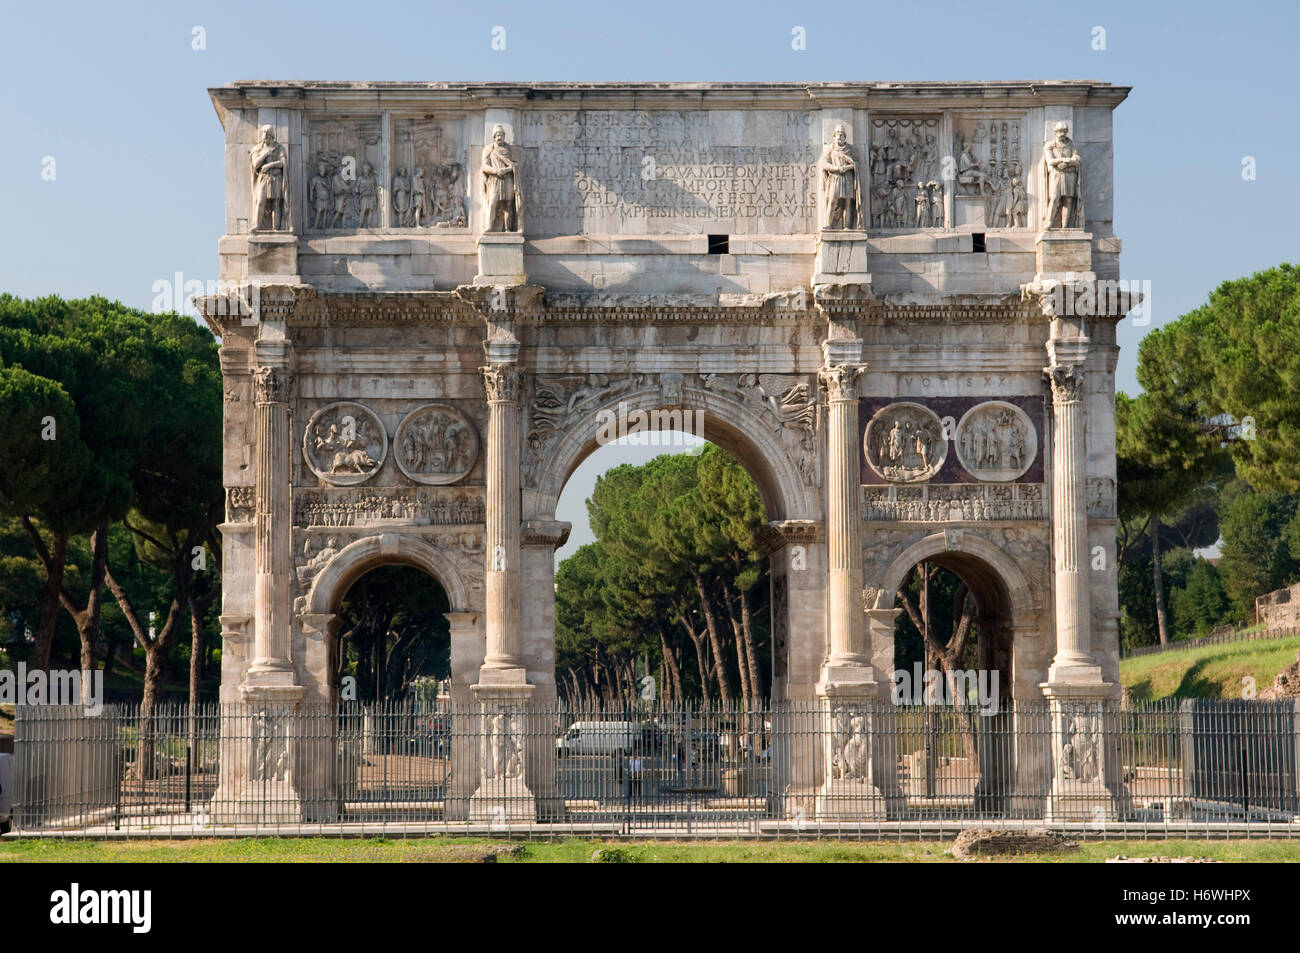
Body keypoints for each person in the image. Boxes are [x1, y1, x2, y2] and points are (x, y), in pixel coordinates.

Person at [819, 124, 860, 229]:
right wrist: (837, 168)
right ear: (834, 136)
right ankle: (828, 224)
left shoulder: (850, 150)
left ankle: (847, 225)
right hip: (835, 178)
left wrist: (848, 168)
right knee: (832, 201)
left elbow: (857, 164)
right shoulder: (830, 149)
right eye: (837, 134)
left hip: (848, 178)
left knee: (848, 202)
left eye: (841, 134)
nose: (839, 136)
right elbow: (824, 164)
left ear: (844, 137)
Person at [482, 124, 521, 231]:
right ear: (494, 137)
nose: (500, 137)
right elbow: (484, 166)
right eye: (497, 135)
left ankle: (508, 229)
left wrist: (505, 170)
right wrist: (495, 171)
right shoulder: (489, 149)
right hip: (494, 180)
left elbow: (516, 165)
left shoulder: (509, 150)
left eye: (501, 135)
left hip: (508, 179)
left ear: (504, 136)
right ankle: (489, 227)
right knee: (492, 203)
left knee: (508, 204)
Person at [249, 125, 286, 230]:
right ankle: (257, 225)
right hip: (264, 178)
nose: (265, 137)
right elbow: (255, 164)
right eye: (264, 134)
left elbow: (283, 163)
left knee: (276, 203)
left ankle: (276, 228)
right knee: (260, 201)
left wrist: (270, 165)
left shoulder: (279, 148)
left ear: (271, 135)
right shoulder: (258, 149)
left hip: (276, 178)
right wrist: (264, 154)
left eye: (267, 134)